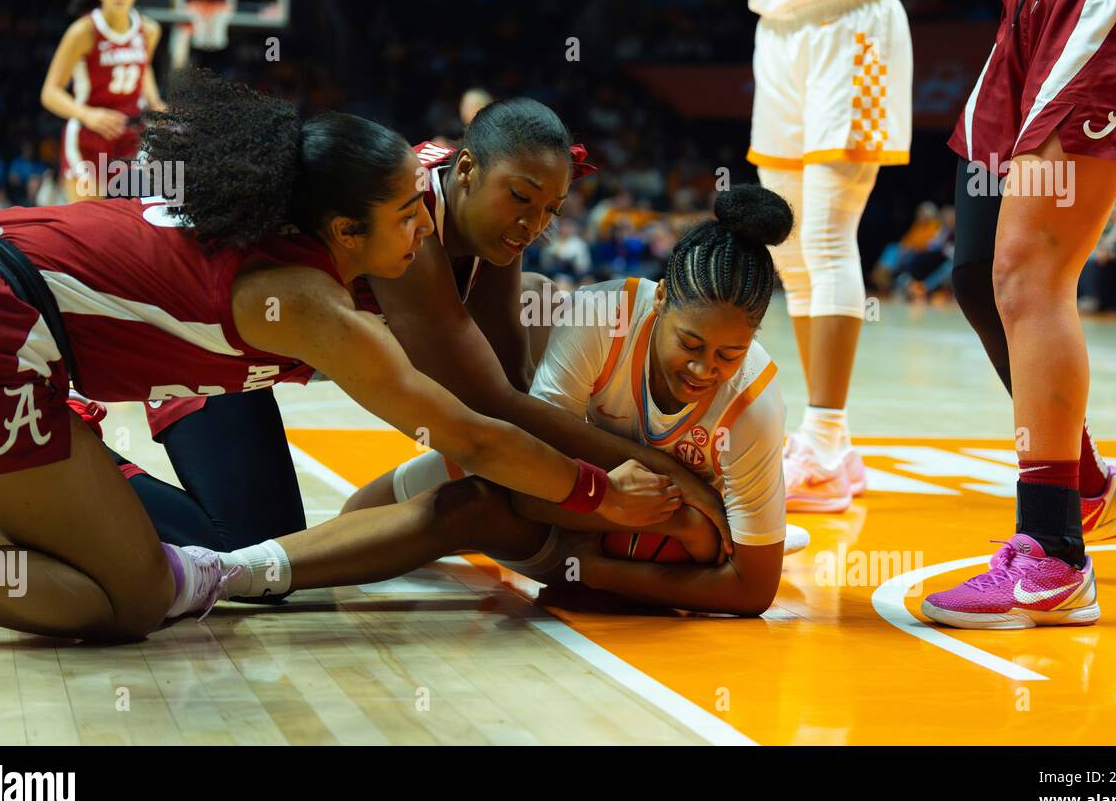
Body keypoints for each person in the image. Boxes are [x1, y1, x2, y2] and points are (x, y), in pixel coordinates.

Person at [0, 69, 678, 641]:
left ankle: (42, 497)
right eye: (408, 216)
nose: (422, 234)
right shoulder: (319, 301)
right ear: (347, 231)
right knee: (142, 595)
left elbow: (494, 388)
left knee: (83, 560)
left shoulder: (352, 216)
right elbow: (476, 426)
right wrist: (600, 492)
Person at [774, 0, 1116, 627]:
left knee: (1030, 279)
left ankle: (1054, 554)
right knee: (975, 273)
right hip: (1027, 10)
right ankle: (1083, 483)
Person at [94, 98, 729, 569]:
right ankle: (82, 473)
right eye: (522, 198)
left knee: (277, 550)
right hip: (203, 347)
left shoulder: (486, 234)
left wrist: (619, 469)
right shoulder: (410, 213)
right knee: (248, 554)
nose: (534, 224)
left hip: (253, 359)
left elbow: (512, 390)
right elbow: (488, 408)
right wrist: (666, 473)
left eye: (551, 211)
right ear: (469, 170)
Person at [214, 185, 801, 617]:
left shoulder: (754, 405)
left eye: (729, 356)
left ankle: (226, 575)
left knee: (466, 509)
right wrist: (639, 497)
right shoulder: (605, 312)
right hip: (564, 490)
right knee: (360, 513)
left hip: (618, 535)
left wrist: (602, 574)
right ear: (662, 300)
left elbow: (751, 589)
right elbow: (527, 477)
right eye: (690, 344)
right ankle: (239, 567)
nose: (705, 369)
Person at [602, 0, 919, 513]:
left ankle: (825, 442)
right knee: (793, 249)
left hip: (854, 23)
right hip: (778, 36)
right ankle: (835, 446)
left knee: (828, 237)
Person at [40, 0, 165, 201]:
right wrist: (88, 114)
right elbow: (49, 93)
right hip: (89, 135)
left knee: (132, 223)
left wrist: (155, 101)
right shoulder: (83, 32)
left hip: (131, 134)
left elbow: (143, 67)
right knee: (86, 225)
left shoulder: (150, 30)